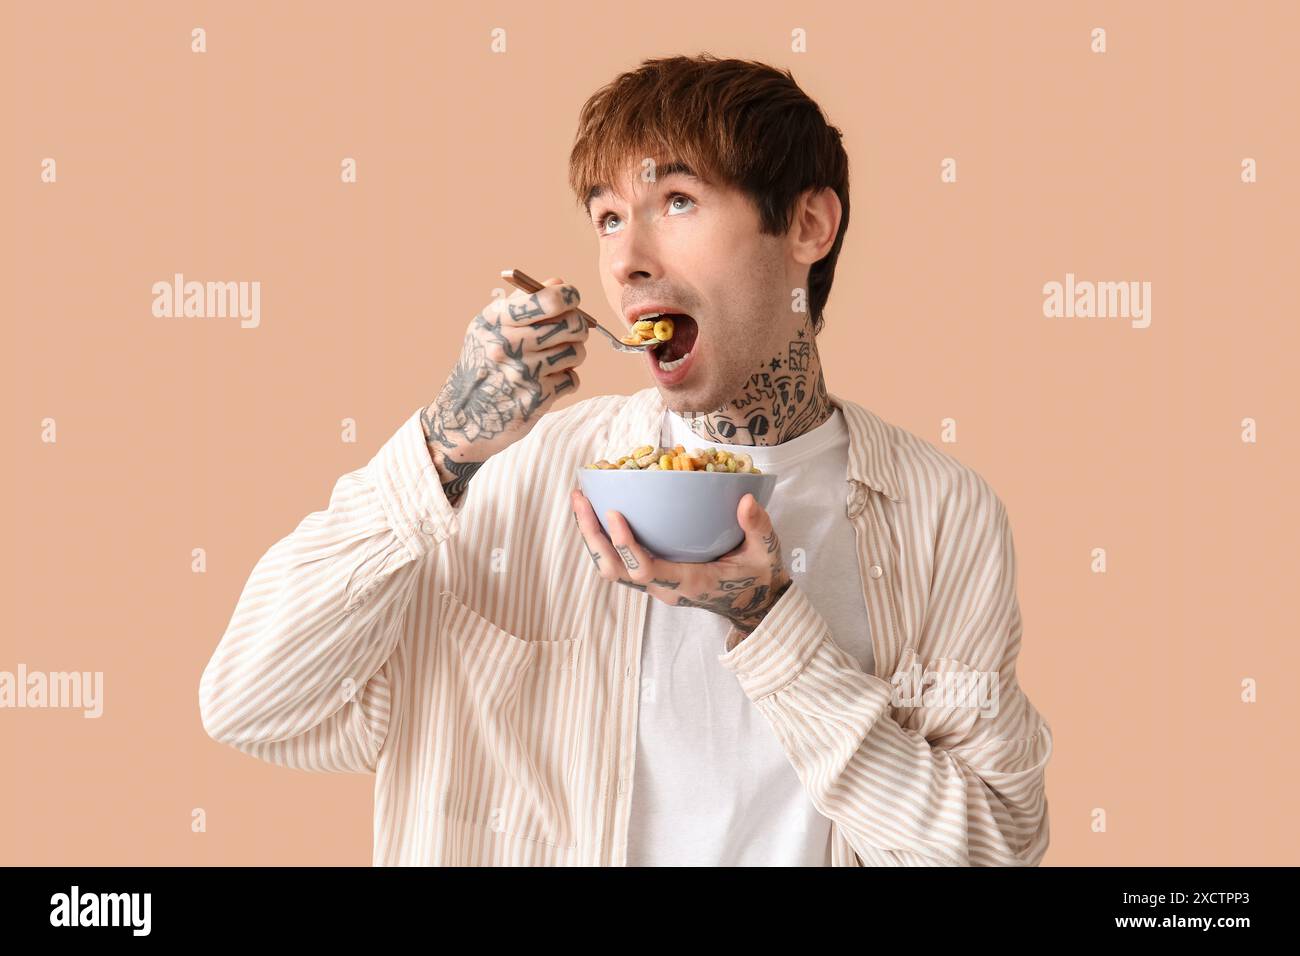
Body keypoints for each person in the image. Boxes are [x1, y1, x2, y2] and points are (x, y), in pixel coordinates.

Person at [199, 54, 1052, 866]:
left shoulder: (945, 514)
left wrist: (767, 623)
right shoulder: (516, 474)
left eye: (676, 201)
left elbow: (989, 850)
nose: (625, 258)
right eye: (608, 216)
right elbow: (254, 703)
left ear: (808, 225)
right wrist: (444, 444)